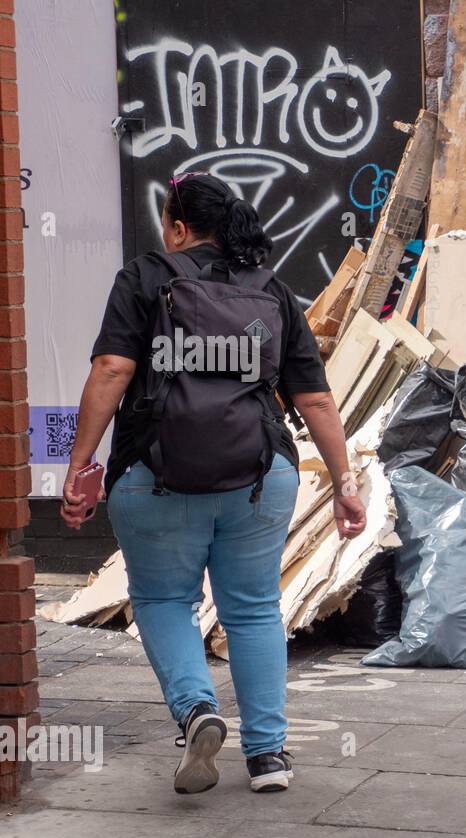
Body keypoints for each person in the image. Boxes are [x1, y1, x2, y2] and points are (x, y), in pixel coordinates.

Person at [60, 172, 366, 795]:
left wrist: (80, 465)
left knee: (164, 601)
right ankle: (269, 758)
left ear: (176, 227)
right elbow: (316, 401)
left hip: (154, 476)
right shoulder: (271, 290)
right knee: (253, 610)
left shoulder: (144, 277)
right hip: (259, 476)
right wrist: (344, 482)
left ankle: (197, 710)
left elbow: (114, 368)